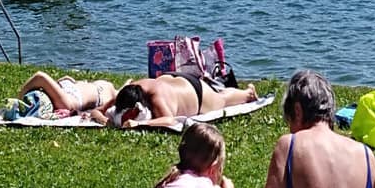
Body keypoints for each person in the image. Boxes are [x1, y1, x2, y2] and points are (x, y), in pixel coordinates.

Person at [92, 71, 260, 128]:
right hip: (170, 78)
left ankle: (248, 93)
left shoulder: (156, 98)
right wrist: (106, 121)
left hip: (194, 92)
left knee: (221, 100)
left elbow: (170, 120)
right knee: (220, 96)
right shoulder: (128, 92)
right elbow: (96, 111)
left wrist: (140, 124)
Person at [13, 69, 117, 116]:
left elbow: (40, 77)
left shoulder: (63, 102)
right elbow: (39, 77)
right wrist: (20, 97)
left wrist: (19, 99)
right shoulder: (65, 103)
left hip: (95, 92)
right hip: (99, 93)